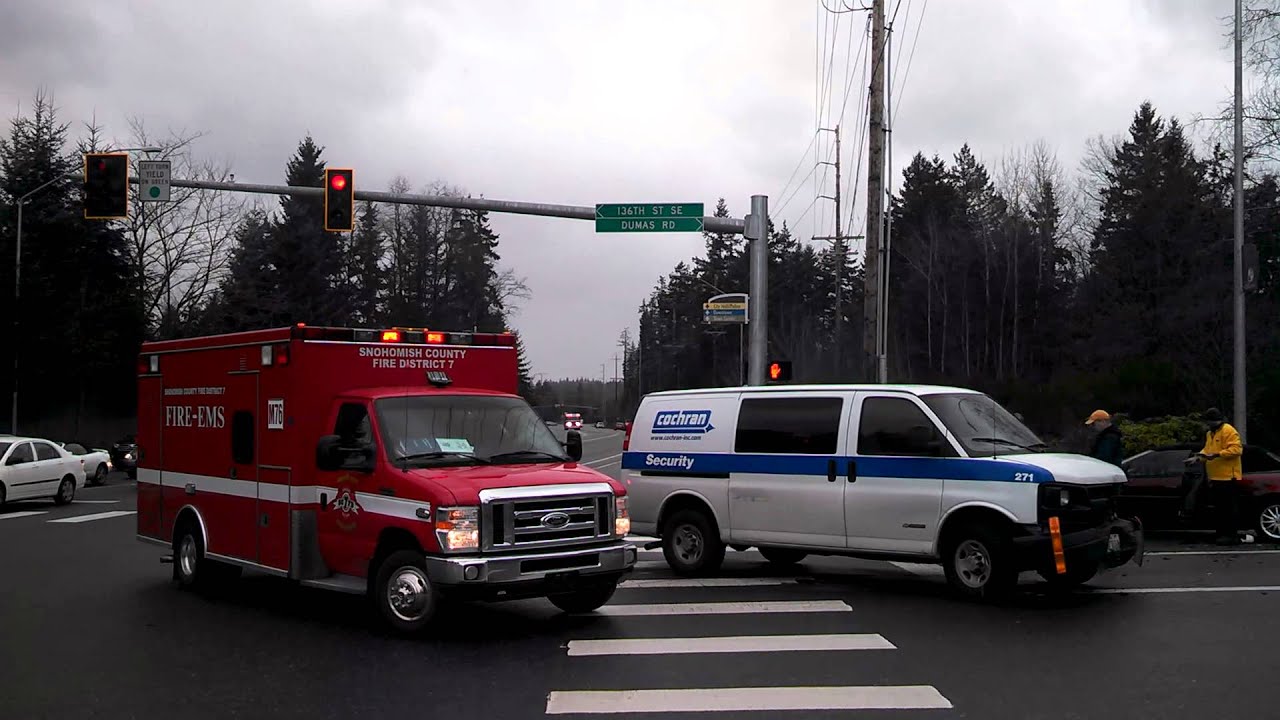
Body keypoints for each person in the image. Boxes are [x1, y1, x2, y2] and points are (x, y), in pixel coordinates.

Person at [1186, 408, 1246, 545]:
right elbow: (1207, 450)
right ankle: (1221, 534)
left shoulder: (1228, 430)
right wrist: (1197, 458)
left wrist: (1217, 455)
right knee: (1220, 508)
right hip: (1215, 477)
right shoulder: (1210, 434)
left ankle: (1231, 535)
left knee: (1228, 508)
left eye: (1208, 421)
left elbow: (1237, 450)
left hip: (1228, 476)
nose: (1207, 424)